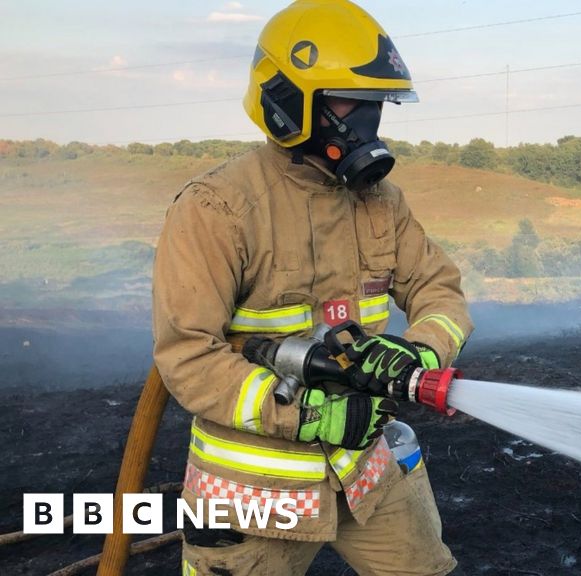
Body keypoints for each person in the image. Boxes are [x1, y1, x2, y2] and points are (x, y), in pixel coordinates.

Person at [151, 1, 472, 574]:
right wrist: (307, 414)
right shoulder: (217, 208)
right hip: (253, 494)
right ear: (287, 102)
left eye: (377, 104)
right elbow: (187, 356)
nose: (368, 123)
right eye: (352, 101)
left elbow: (440, 290)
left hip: (368, 469)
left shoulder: (382, 202)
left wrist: (420, 351)